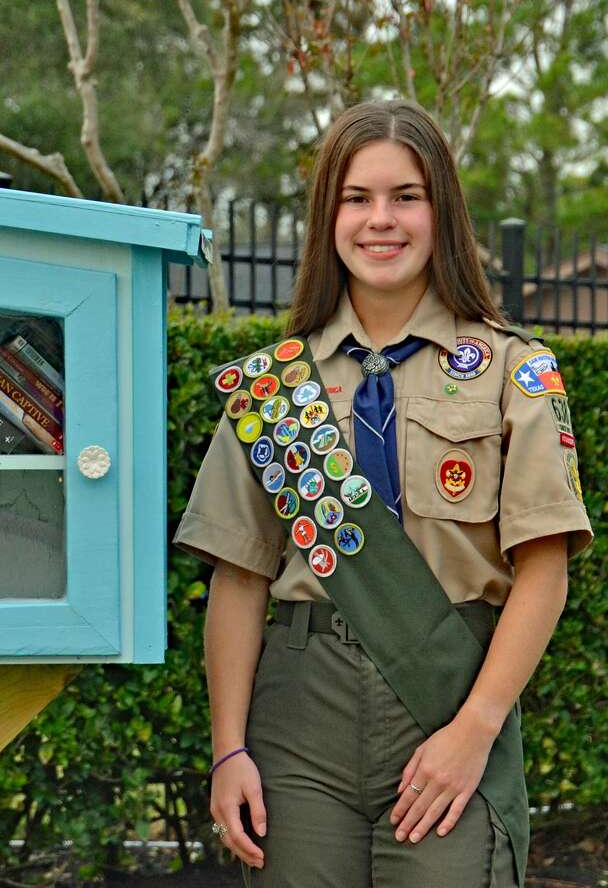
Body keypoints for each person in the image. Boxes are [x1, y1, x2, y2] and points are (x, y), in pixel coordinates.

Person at [173, 100, 592, 887]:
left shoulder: (514, 371)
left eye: (406, 196)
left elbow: (545, 569)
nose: (381, 220)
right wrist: (230, 748)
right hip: (300, 718)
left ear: (442, 210)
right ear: (329, 216)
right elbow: (237, 578)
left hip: (448, 699)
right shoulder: (275, 388)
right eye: (357, 198)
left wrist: (476, 727)